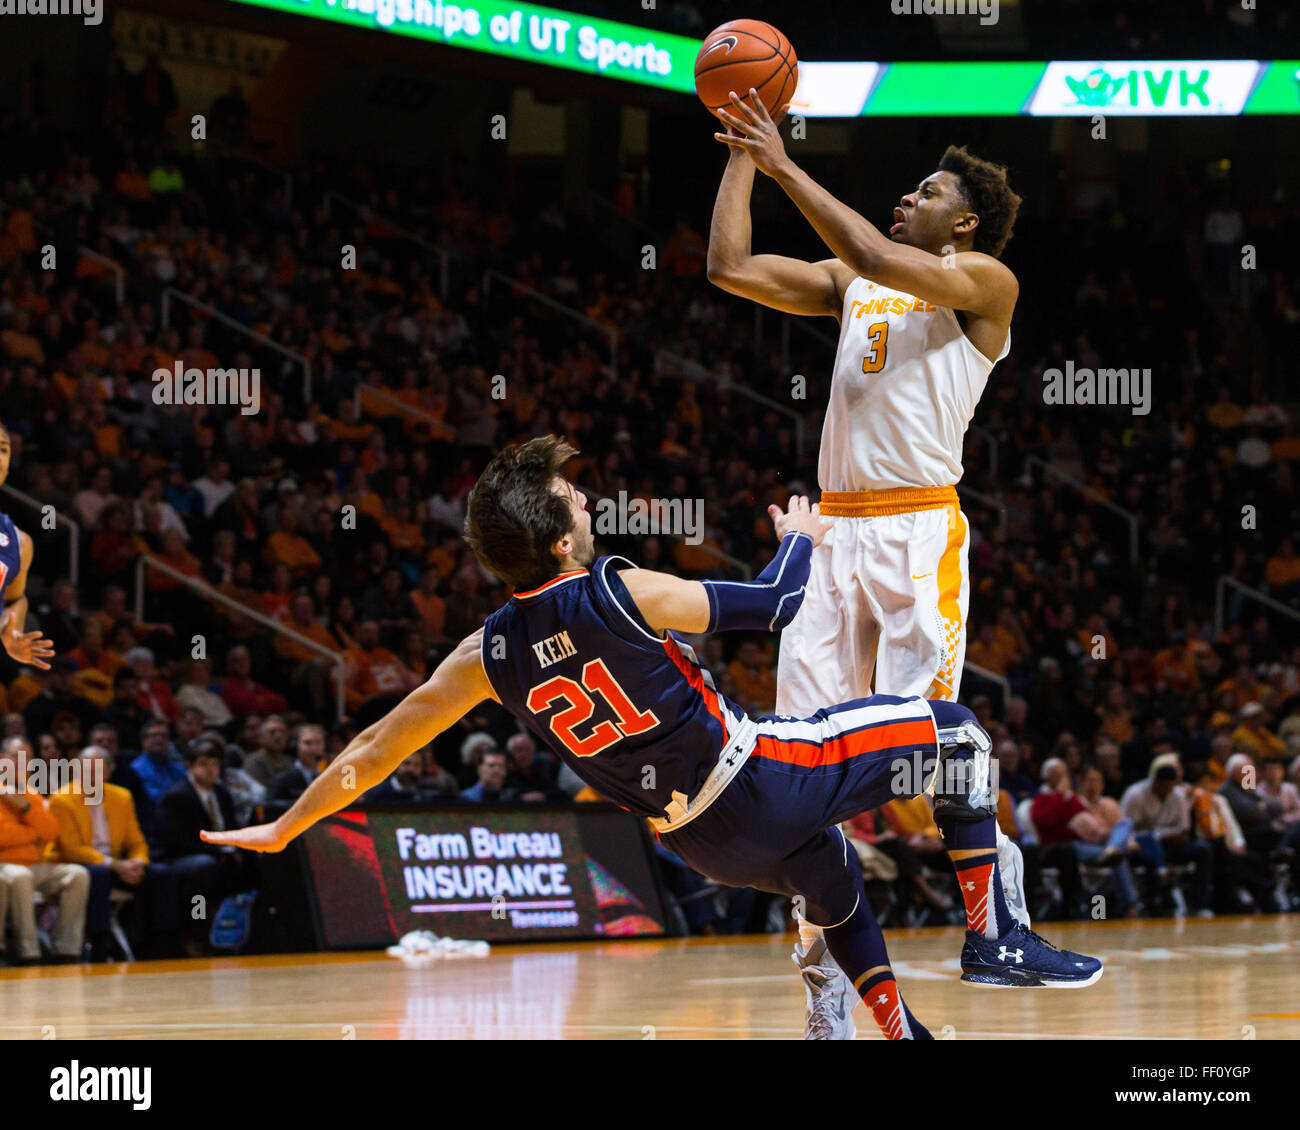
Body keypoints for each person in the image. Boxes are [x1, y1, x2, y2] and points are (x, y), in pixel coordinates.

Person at [205, 437, 1101, 1041]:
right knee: (960, 736)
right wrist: (801, 538)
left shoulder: (488, 652)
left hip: (700, 844)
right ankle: (994, 938)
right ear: (560, 538)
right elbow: (776, 604)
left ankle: (901, 1034)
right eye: (572, 496)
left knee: (830, 877)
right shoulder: (615, 588)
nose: (587, 498)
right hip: (762, 778)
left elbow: (375, 747)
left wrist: (285, 828)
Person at [706, 90, 1029, 1035]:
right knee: (799, 783)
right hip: (833, 537)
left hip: (918, 533)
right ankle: (826, 989)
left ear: (962, 221)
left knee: (923, 750)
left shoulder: (987, 284)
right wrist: (740, 147)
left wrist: (784, 162)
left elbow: (888, 256)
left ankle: (992, 872)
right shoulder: (852, 283)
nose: (906, 198)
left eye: (925, 190)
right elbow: (727, 266)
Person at [0, 737, 89, 964]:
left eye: (27, 757)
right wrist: (32, 833)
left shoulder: (29, 792)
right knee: (21, 876)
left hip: (32, 863)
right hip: (6, 864)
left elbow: (50, 832)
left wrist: (25, 807)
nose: (22, 762)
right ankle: (29, 953)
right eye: (16, 756)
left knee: (77, 875)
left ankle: (67, 950)